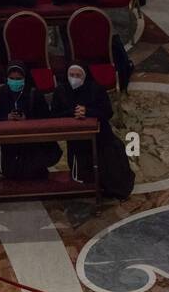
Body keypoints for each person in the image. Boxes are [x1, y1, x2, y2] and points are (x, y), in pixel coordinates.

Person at [48, 59, 134, 199]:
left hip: (101, 138)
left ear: (85, 76)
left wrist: (87, 111)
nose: (74, 79)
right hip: (77, 141)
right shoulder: (61, 91)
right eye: (72, 75)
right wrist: (72, 113)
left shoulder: (96, 89)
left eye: (78, 75)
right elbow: (54, 116)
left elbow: (107, 112)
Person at [0, 62, 60, 180]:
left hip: (32, 143)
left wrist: (27, 119)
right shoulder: (0, 94)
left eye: (18, 79)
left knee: (34, 176)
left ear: (25, 78)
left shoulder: (34, 94)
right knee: (11, 177)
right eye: (11, 78)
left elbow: (45, 117)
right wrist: (6, 118)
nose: (15, 81)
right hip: (9, 142)